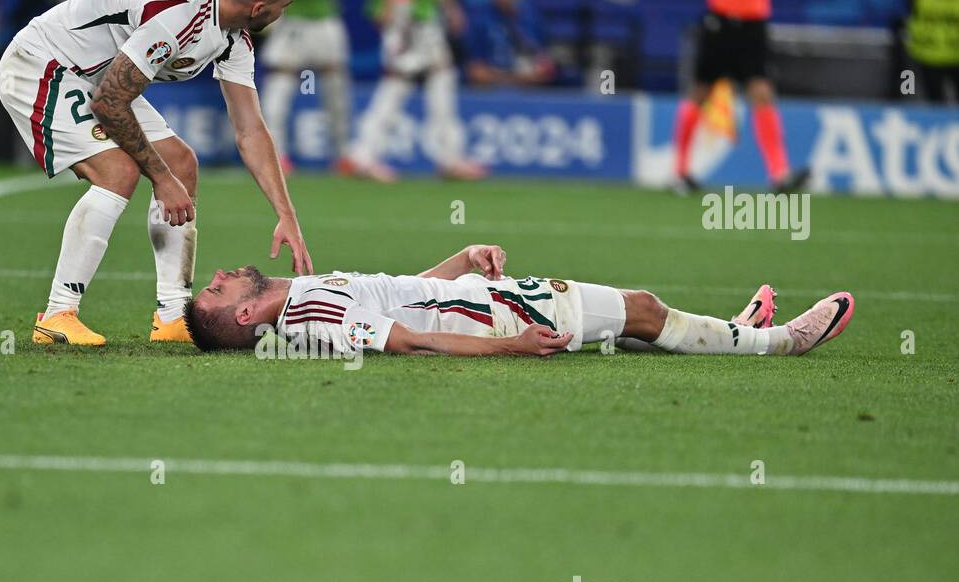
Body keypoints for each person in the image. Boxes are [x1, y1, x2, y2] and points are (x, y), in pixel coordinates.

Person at [0, 0, 314, 346]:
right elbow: (109, 103)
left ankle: (172, 317)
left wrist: (286, 215)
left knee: (182, 163)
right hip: (45, 65)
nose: (283, 14)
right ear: (259, 6)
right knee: (120, 172)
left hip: (99, 78)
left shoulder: (232, 36)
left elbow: (251, 130)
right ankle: (58, 314)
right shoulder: (178, 14)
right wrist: (160, 180)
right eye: (285, 5)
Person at [182, 245, 855, 358]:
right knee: (642, 309)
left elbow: (403, 296)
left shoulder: (304, 297)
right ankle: (779, 342)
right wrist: (510, 345)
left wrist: (463, 258)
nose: (220, 273)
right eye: (218, 289)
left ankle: (730, 330)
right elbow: (411, 339)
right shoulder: (313, 316)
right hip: (497, 316)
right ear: (244, 315)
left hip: (474, 295)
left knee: (627, 326)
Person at [341, 0, 486, 182]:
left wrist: (450, 6)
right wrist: (388, 5)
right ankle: (364, 155)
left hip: (420, 10)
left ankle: (448, 156)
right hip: (406, 8)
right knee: (402, 78)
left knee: (436, 74)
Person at [672, 0, 810, 193]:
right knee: (701, 93)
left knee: (761, 92)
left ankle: (779, 174)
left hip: (753, 26)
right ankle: (681, 171)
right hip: (723, 22)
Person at [257, 0, 353, 172]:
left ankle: (343, 155)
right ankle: (274, 155)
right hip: (290, 14)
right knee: (281, 79)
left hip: (325, 16)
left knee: (335, 84)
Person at [463, 0, 557, 88]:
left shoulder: (534, 20)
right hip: (490, 92)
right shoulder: (479, 22)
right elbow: (475, 71)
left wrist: (538, 72)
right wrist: (512, 79)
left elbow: (546, 66)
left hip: (530, 91)